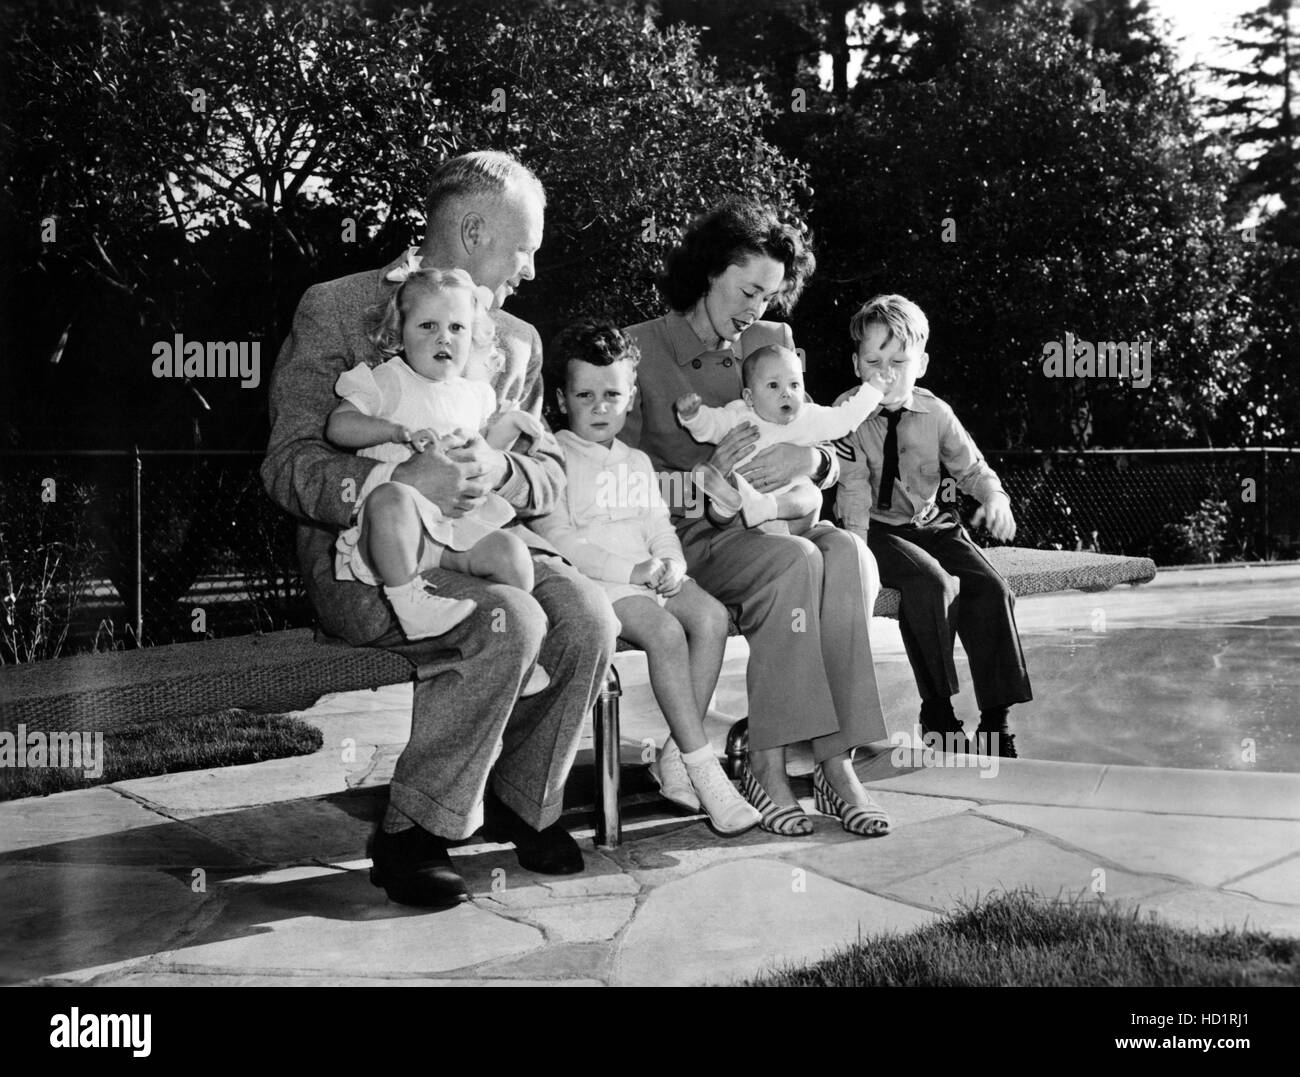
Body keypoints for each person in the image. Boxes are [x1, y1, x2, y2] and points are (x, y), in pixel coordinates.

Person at [263, 151, 619, 909]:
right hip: (371, 554)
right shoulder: (336, 306)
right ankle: (413, 834)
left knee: (588, 617)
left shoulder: (516, 340)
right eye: (525, 248)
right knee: (510, 617)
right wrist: (396, 480)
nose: (529, 269)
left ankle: (525, 797)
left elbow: (549, 473)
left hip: (483, 533)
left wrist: (501, 470)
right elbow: (287, 463)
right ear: (475, 228)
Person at [623, 197, 891, 838]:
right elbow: (614, 482)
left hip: (784, 517)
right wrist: (702, 483)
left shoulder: (772, 343)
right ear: (711, 270)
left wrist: (814, 459)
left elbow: (823, 439)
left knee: (849, 554)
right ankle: (767, 770)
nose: (755, 310)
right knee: (794, 562)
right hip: (697, 538)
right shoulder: (638, 350)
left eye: (769, 296)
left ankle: (834, 762)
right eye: (747, 290)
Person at [533, 321, 761, 835]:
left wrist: (672, 564)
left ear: (631, 396)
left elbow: (659, 525)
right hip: (597, 585)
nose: (599, 407)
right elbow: (563, 542)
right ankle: (705, 772)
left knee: (709, 615)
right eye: (585, 395)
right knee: (663, 632)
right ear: (562, 398)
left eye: (611, 394)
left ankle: (677, 758)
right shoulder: (552, 457)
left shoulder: (634, 461)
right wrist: (632, 571)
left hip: (648, 573)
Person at [833, 294, 1032, 758]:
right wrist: (858, 548)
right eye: (874, 359)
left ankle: (995, 722)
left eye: (899, 360)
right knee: (931, 584)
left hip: (931, 523)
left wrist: (996, 498)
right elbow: (854, 486)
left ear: (920, 363)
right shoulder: (847, 414)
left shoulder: (935, 411)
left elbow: (971, 469)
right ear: (857, 364)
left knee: (991, 589)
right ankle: (938, 711)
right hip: (876, 529)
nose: (886, 371)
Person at [327, 264, 546, 674]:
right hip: (395, 536)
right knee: (390, 496)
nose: (443, 337)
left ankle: (523, 658)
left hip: (450, 534)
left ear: (475, 336)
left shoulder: (475, 394)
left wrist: (508, 430)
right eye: (427, 325)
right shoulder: (388, 380)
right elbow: (339, 426)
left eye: (457, 328)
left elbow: (478, 455)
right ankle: (408, 600)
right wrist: (395, 432)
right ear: (399, 332)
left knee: (513, 554)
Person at [675, 343, 889, 533]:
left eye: (794, 385)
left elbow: (845, 419)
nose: (786, 393)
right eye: (773, 385)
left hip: (791, 518)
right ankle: (727, 503)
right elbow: (711, 425)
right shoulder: (739, 415)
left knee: (811, 495)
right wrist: (693, 416)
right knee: (723, 501)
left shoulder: (809, 417)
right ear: (749, 397)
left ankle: (763, 506)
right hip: (741, 518)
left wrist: (874, 390)